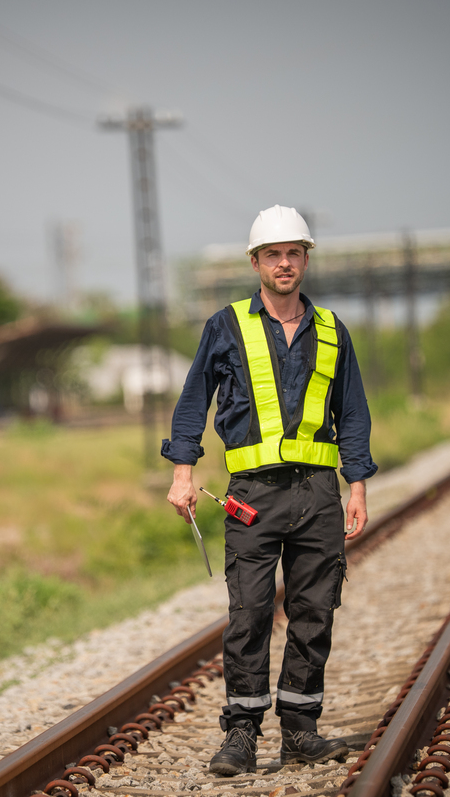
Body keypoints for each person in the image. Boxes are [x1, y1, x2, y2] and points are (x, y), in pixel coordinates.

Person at [163, 205, 377, 776]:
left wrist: (357, 487)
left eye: (294, 253)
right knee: (250, 612)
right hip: (252, 496)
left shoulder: (332, 330)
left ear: (305, 259)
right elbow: (192, 403)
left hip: (319, 494)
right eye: (273, 255)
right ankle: (241, 733)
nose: (284, 263)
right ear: (256, 262)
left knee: (314, 611)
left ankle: (300, 732)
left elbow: (352, 414)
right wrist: (183, 472)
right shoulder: (224, 326)